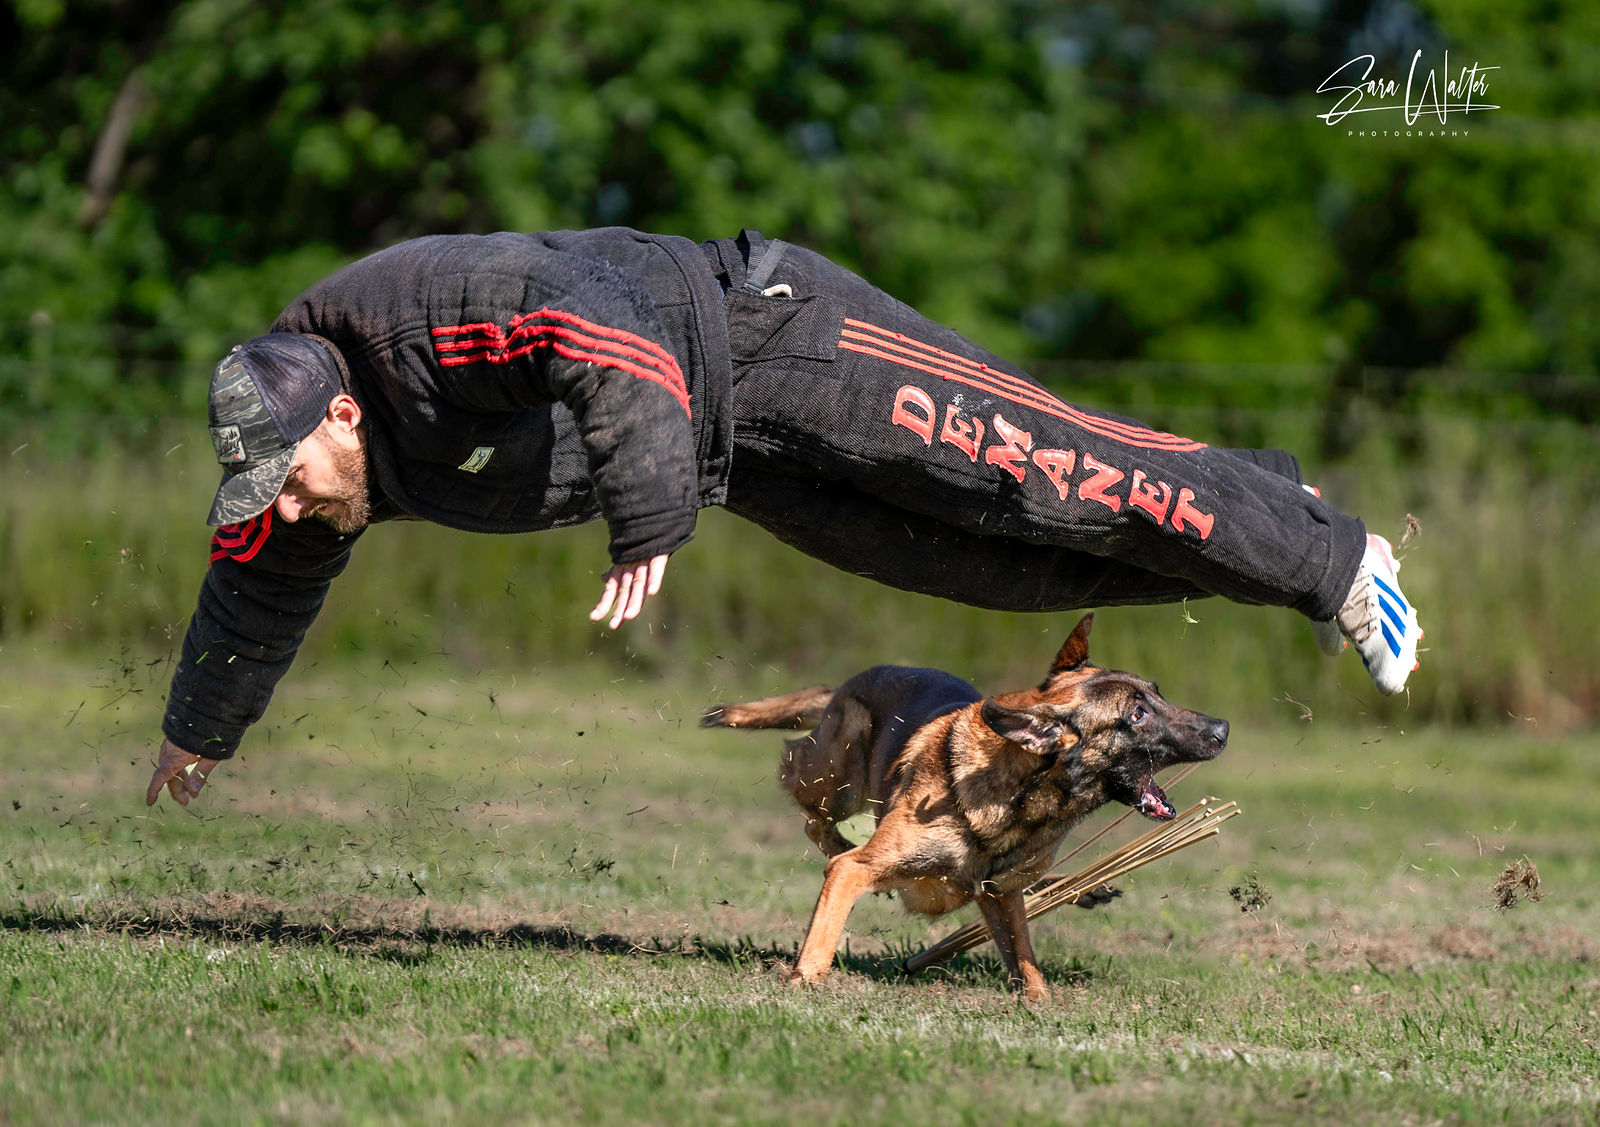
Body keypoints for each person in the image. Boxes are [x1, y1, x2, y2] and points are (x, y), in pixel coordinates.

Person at [146, 228, 1420, 808]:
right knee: (1002, 572)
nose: (294, 502)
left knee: (1048, 472)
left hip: (774, 335)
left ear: (343, 421)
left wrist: (643, 514)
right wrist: (196, 739)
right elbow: (253, 576)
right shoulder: (307, 458)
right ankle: (1271, 514)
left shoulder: (417, 310)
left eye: (295, 474)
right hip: (733, 458)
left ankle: (1331, 554)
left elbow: (594, 320)